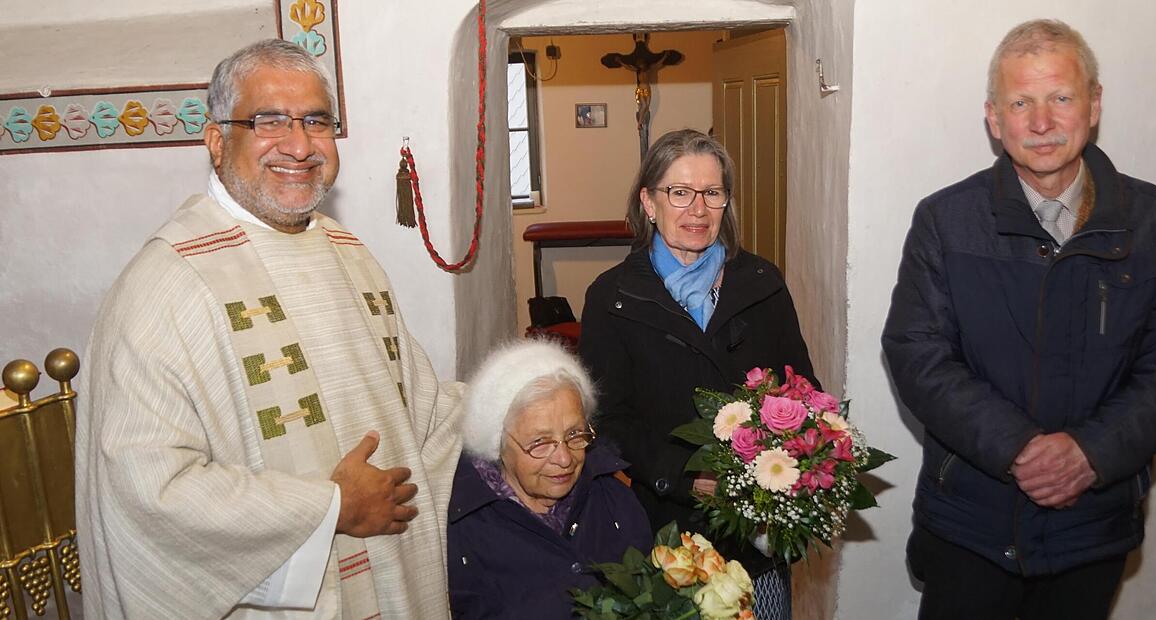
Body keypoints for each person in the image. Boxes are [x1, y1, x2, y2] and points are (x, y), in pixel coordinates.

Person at [76, 39, 463, 618]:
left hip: (388, 573)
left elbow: (419, 408)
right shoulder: (164, 286)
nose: (300, 145)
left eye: (316, 121)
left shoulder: (349, 251)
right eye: (269, 121)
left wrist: (515, 415)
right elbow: (146, 491)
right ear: (215, 141)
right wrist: (330, 507)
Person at [882, 19, 1156, 620]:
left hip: (1092, 526)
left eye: (1060, 97)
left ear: (1093, 105)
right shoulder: (945, 221)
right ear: (993, 117)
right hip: (970, 527)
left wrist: (1092, 451)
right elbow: (915, 351)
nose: (1041, 122)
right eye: (1020, 102)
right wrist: (1018, 446)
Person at [579, 128, 816, 619]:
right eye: (680, 193)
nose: (698, 210)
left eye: (712, 193)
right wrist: (684, 477)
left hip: (754, 528)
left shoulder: (761, 282)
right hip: (662, 530)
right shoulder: (613, 297)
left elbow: (802, 393)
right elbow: (607, 420)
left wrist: (777, 466)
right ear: (648, 202)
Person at [446, 339, 652, 618]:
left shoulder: (612, 496)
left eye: (574, 435)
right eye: (540, 442)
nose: (564, 459)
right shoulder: (465, 531)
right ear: (497, 443)